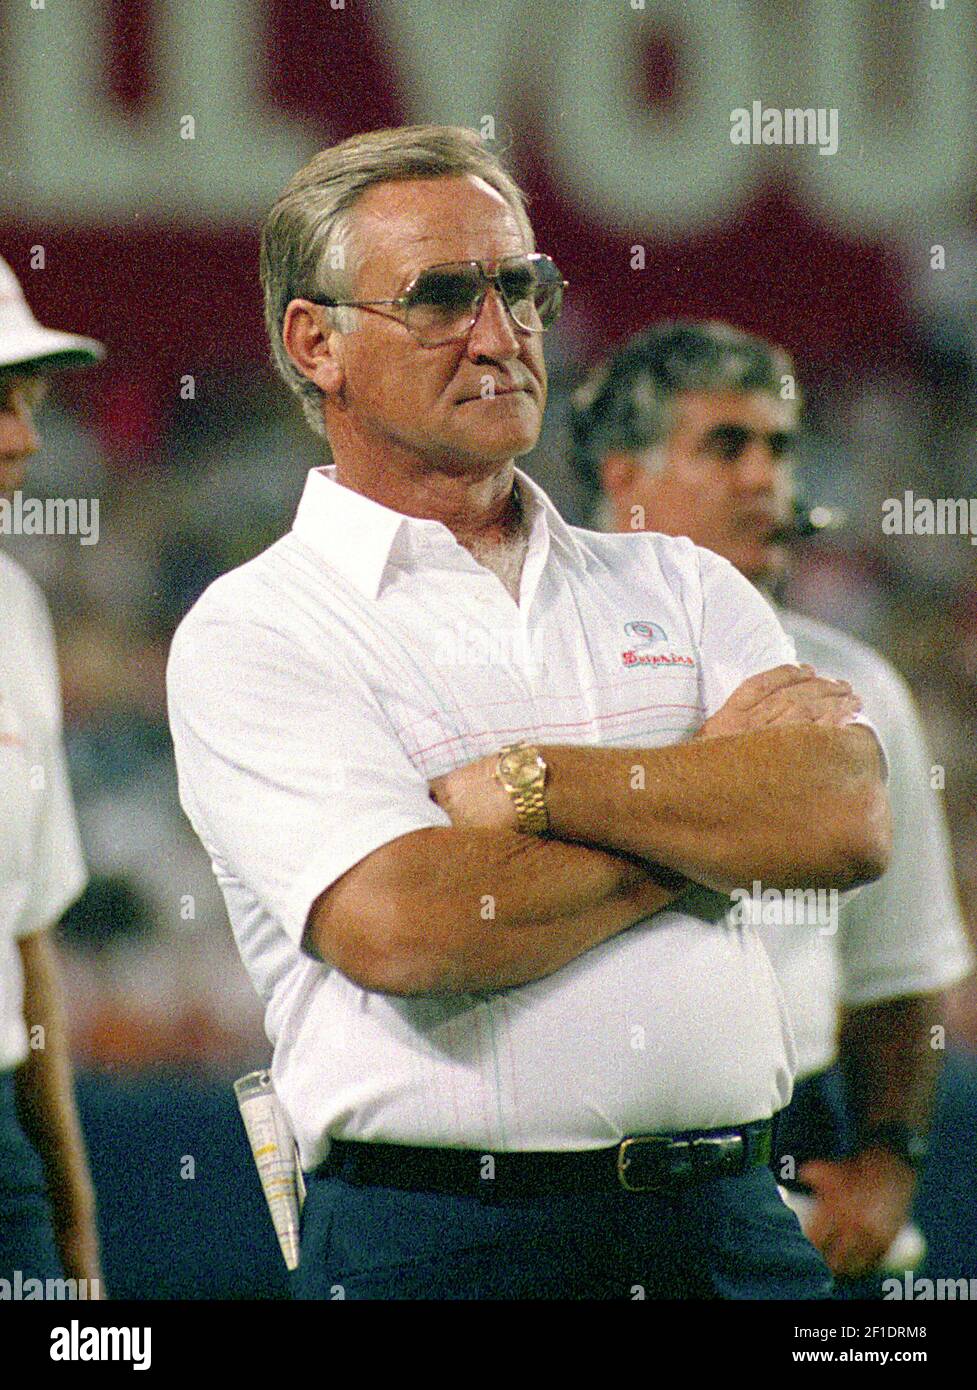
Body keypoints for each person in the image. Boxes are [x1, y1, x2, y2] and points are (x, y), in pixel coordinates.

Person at [167, 125, 891, 1300]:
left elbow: (843, 819)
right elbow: (410, 928)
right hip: (443, 1242)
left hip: (736, 1231)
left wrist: (538, 788)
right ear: (316, 342)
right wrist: (708, 812)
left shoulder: (680, 580)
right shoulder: (258, 628)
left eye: (521, 288)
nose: (500, 334)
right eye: (443, 296)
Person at [569, 319, 974, 1286]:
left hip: (793, 1143)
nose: (764, 477)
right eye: (725, 445)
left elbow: (900, 970)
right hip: (575, 1155)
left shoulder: (854, 690)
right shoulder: (554, 679)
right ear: (622, 476)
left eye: (778, 446)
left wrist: (887, 1164)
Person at [0, 254, 105, 1294]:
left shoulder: (14, 611)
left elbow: (28, 947)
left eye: (25, 400)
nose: (26, 438)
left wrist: (74, 1245)